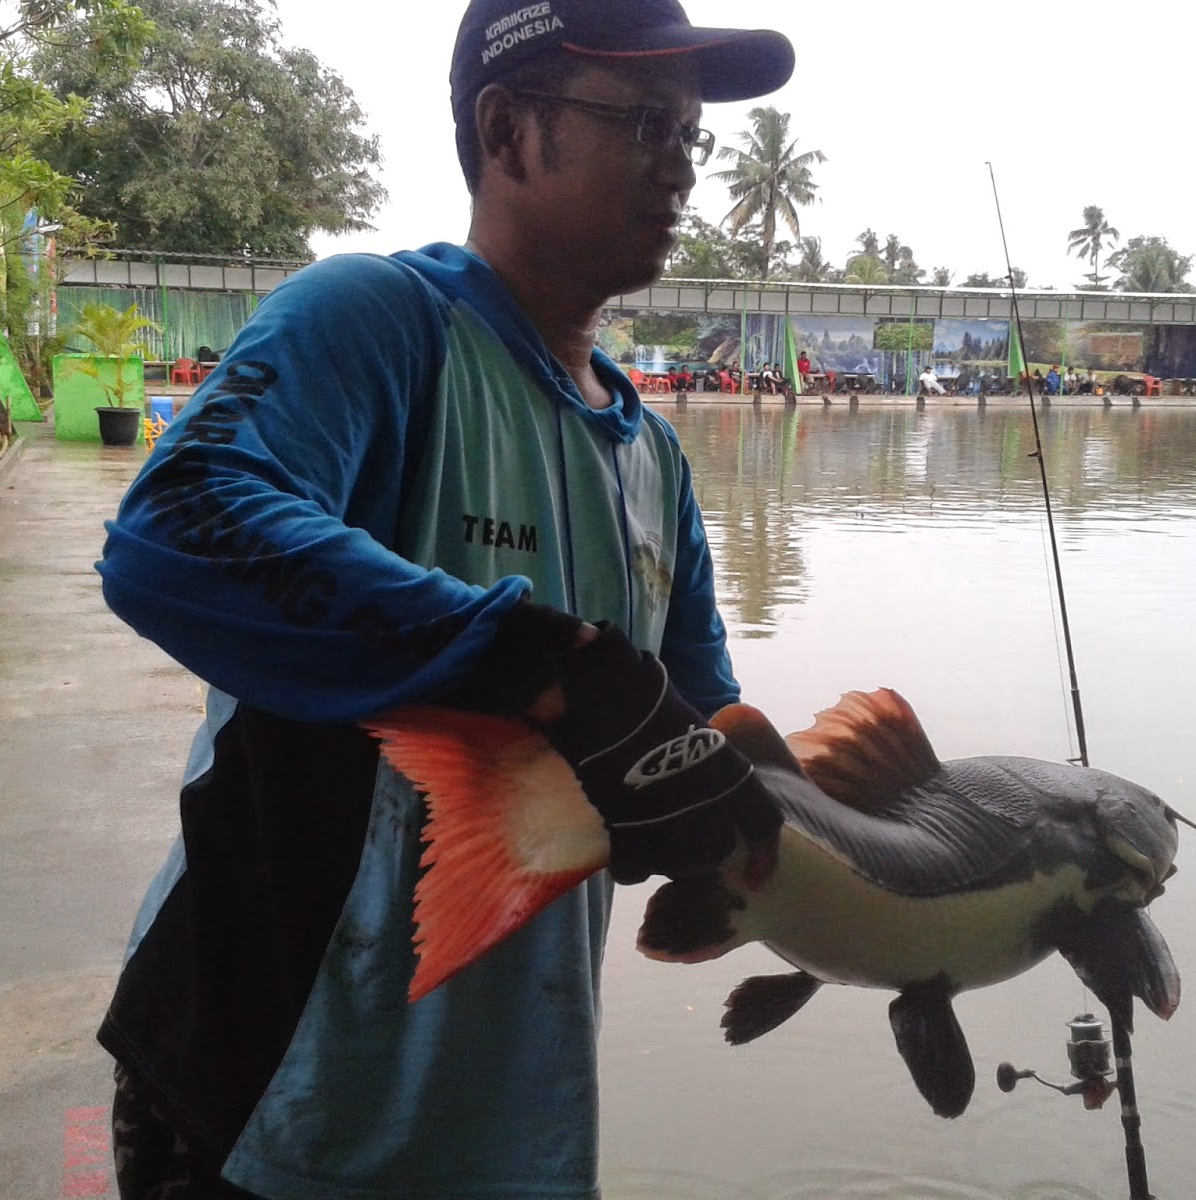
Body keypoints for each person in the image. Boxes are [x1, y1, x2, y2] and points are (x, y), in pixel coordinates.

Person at [93, 2, 794, 1197]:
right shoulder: (378, 322)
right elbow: (176, 523)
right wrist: (527, 659)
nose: (679, 163)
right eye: (641, 121)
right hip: (272, 1099)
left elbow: (693, 734)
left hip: (503, 1116)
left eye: (692, 134)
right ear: (509, 128)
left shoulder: (652, 459)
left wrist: (791, 840)